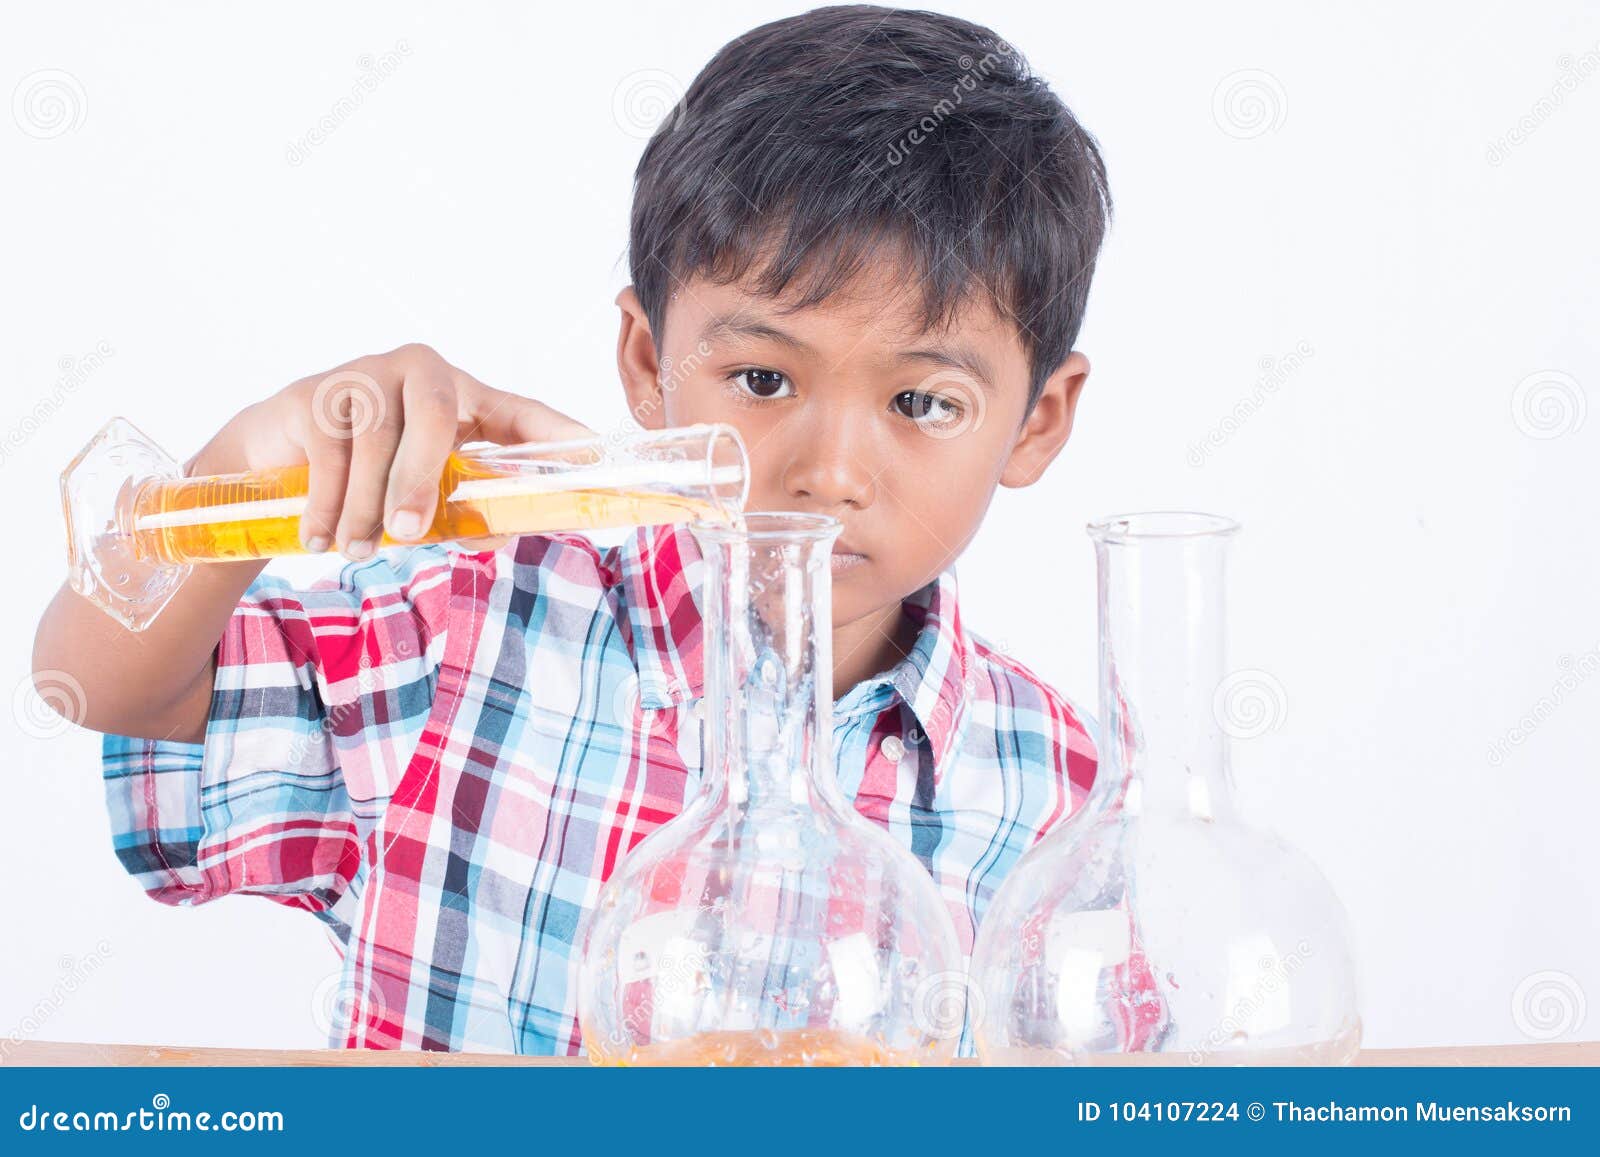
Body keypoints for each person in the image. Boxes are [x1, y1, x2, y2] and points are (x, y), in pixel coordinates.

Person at [33, 3, 1111, 1057]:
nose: (827, 473)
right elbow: (104, 682)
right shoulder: (468, 632)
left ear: (1039, 421)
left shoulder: (1061, 796)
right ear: (649, 362)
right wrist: (253, 462)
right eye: (762, 377)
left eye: (921, 403)